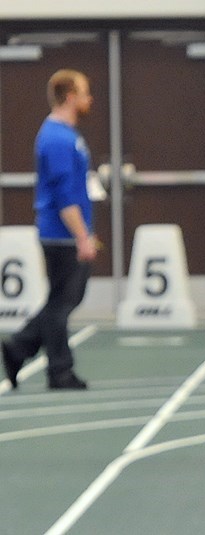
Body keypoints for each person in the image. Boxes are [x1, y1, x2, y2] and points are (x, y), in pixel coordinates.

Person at [2, 69, 96, 391]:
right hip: (61, 234)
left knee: (64, 298)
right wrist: (81, 235)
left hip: (66, 232)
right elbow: (63, 194)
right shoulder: (57, 138)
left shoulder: (67, 135)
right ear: (70, 97)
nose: (89, 99)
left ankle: (20, 347)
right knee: (61, 303)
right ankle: (58, 370)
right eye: (84, 93)